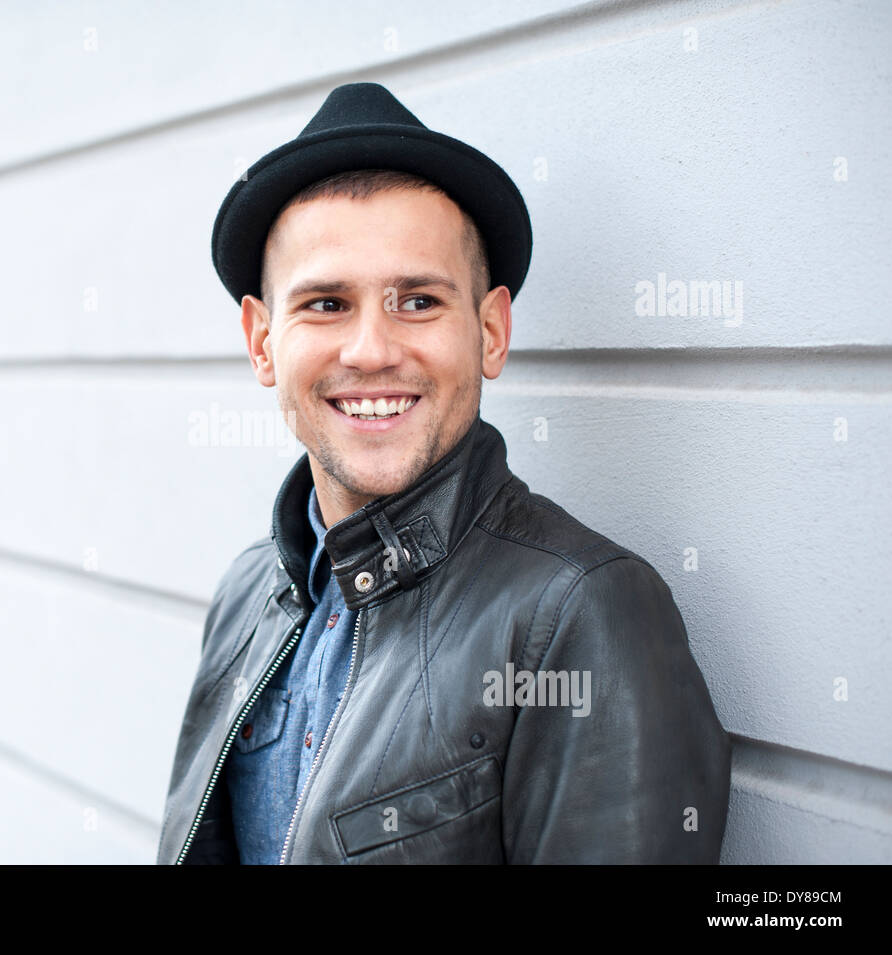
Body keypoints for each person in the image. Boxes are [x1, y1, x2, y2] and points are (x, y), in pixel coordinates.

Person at [156, 82, 731, 864]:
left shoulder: (580, 612)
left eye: (418, 300)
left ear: (490, 331)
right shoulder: (247, 594)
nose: (370, 349)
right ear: (262, 342)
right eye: (325, 304)